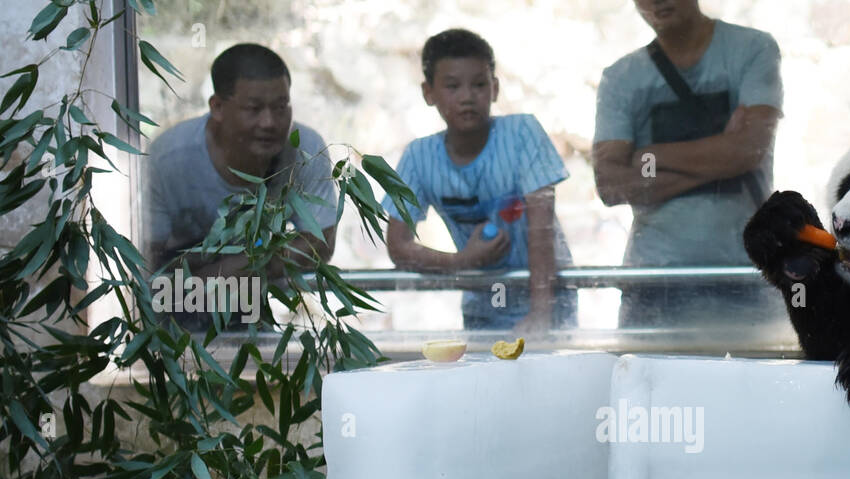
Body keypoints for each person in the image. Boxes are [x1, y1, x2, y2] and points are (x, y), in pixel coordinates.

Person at [593, 0, 783, 327]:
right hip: (654, 281)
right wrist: (724, 155)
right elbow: (610, 185)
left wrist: (647, 155)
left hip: (747, 273)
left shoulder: (753, 49)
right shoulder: (620, 78)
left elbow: (748, 151)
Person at [383, 29, 576, 334]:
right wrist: (463, 261)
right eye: (452, 86)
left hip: (548, 300)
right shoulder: (419, 157)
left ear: (495, 88)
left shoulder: (523, 133)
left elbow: (542, 228)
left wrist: (541, 313)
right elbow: (398, 245)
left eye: (479, 84)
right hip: (483, 305)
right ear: (428, 92)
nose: (467, 97)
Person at [145, 43, 338, 331]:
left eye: (280, 107)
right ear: (218, 107)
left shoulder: (306, 149)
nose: (269, 122)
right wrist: (214, 273)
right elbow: (147, 263)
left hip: (253, 315)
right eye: (254, 109)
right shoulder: (168, 160)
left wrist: (246, 264)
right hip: (172, 322)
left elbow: (319, 244)